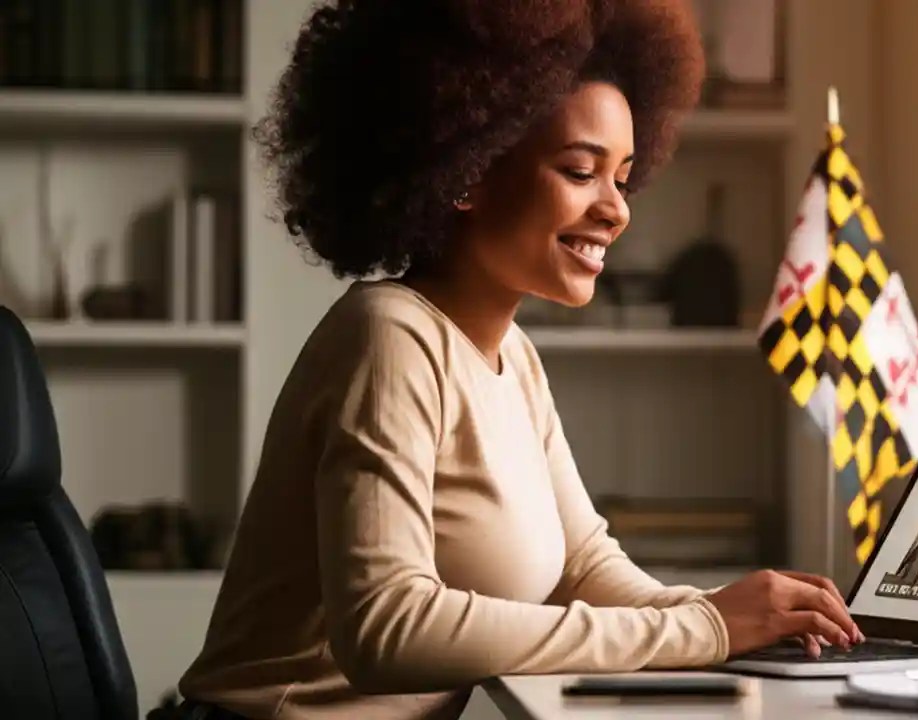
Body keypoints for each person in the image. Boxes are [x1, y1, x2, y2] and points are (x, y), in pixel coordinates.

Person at [172, 3, 860, 719]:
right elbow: (385, 628)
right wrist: (699, 629)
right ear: (466, 173)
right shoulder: (388, 337)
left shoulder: (515, 358)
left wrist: (740, 618)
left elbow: (583, 566)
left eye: (623, 177)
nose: (616, 209)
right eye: (579, 170)